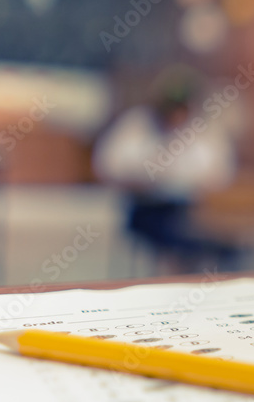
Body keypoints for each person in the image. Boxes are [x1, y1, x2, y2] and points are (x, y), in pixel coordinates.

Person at [93, 65, 238, 272]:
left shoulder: (206, 132)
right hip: (148, 210)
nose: (176, 115)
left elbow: (220, 175)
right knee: (173, 237)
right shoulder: (137, 125)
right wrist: (141, 180)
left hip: (192, 211)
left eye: (182, 108)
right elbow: (108, 166)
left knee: (221, 244)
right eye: (171, 107)